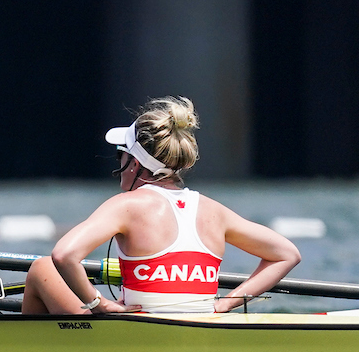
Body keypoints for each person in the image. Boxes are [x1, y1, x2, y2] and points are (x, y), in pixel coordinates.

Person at [21, 98, 299, 316]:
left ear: (136, 163)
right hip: (202, 322)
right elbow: (286, 254)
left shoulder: (126, 206)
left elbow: (64, 255)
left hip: (138, 328)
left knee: (42, 268)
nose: (119, 163)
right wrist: (225, 304)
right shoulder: (214, 210)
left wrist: (99, 303)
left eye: (121, 155)